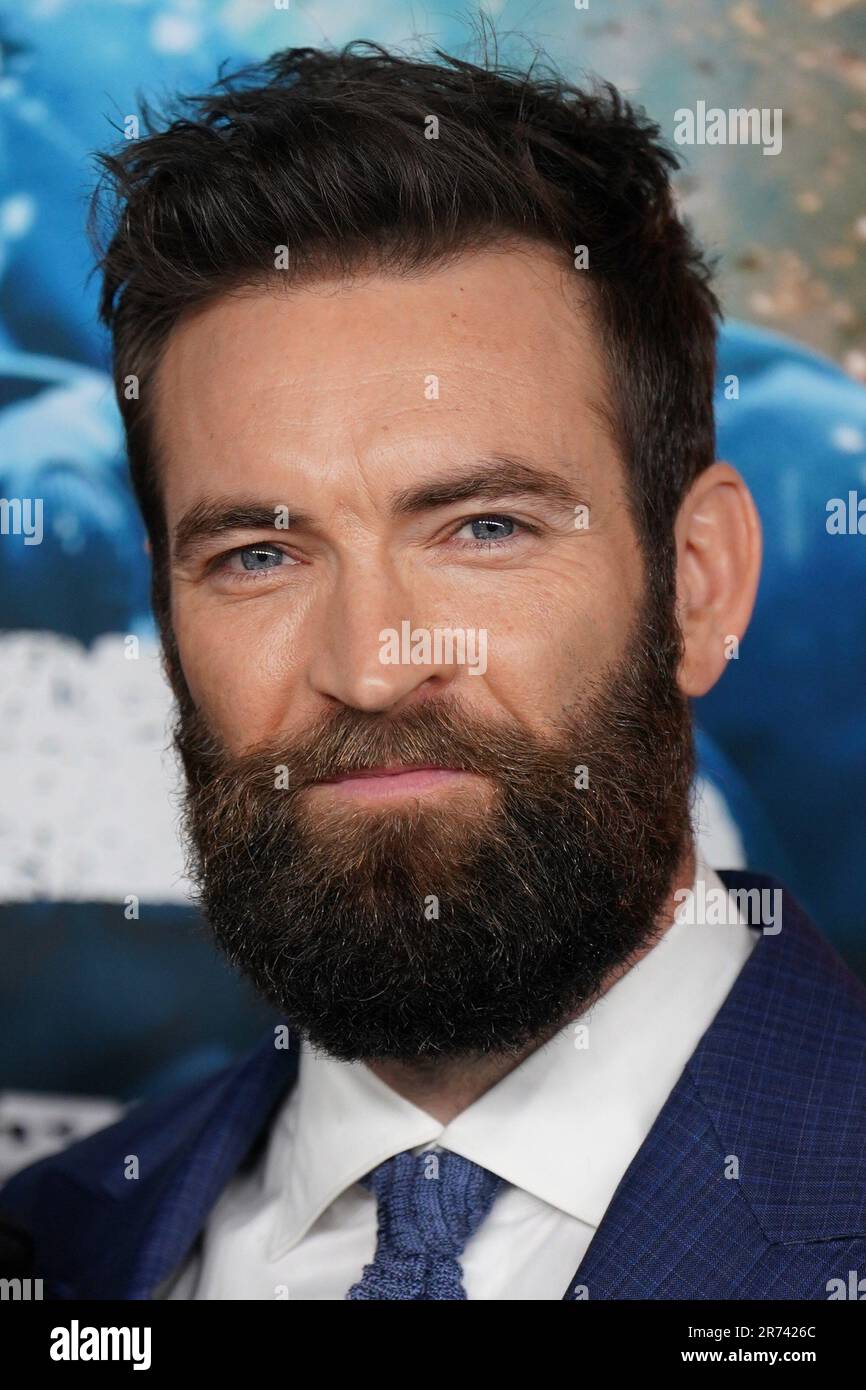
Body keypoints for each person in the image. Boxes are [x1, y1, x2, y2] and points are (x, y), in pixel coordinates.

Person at [2, 41, 865, 1301]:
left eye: (483, 530)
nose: (369, 665)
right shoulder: (55, 1253)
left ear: (695, 583)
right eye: (257, 553)